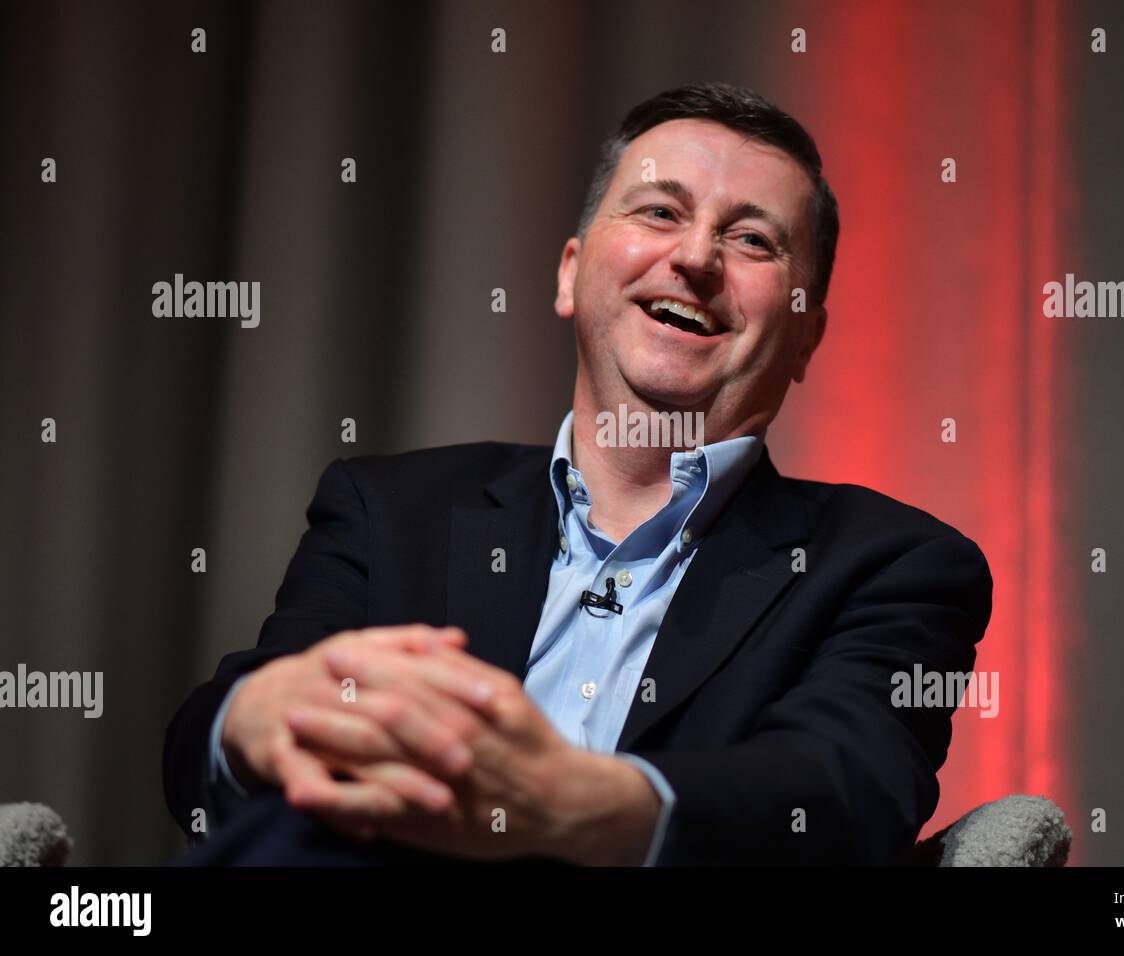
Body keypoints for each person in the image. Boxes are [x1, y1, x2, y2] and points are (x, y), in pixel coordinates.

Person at [163, 81, 993, 866]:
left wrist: (577, 803)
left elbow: (847, 793)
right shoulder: (389, 509)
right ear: (569, 272)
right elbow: (215, 743)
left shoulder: (896, 566)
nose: (696, 257)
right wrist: (251, 720)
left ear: (808, 335)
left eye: (753, 241)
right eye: (660, 210)